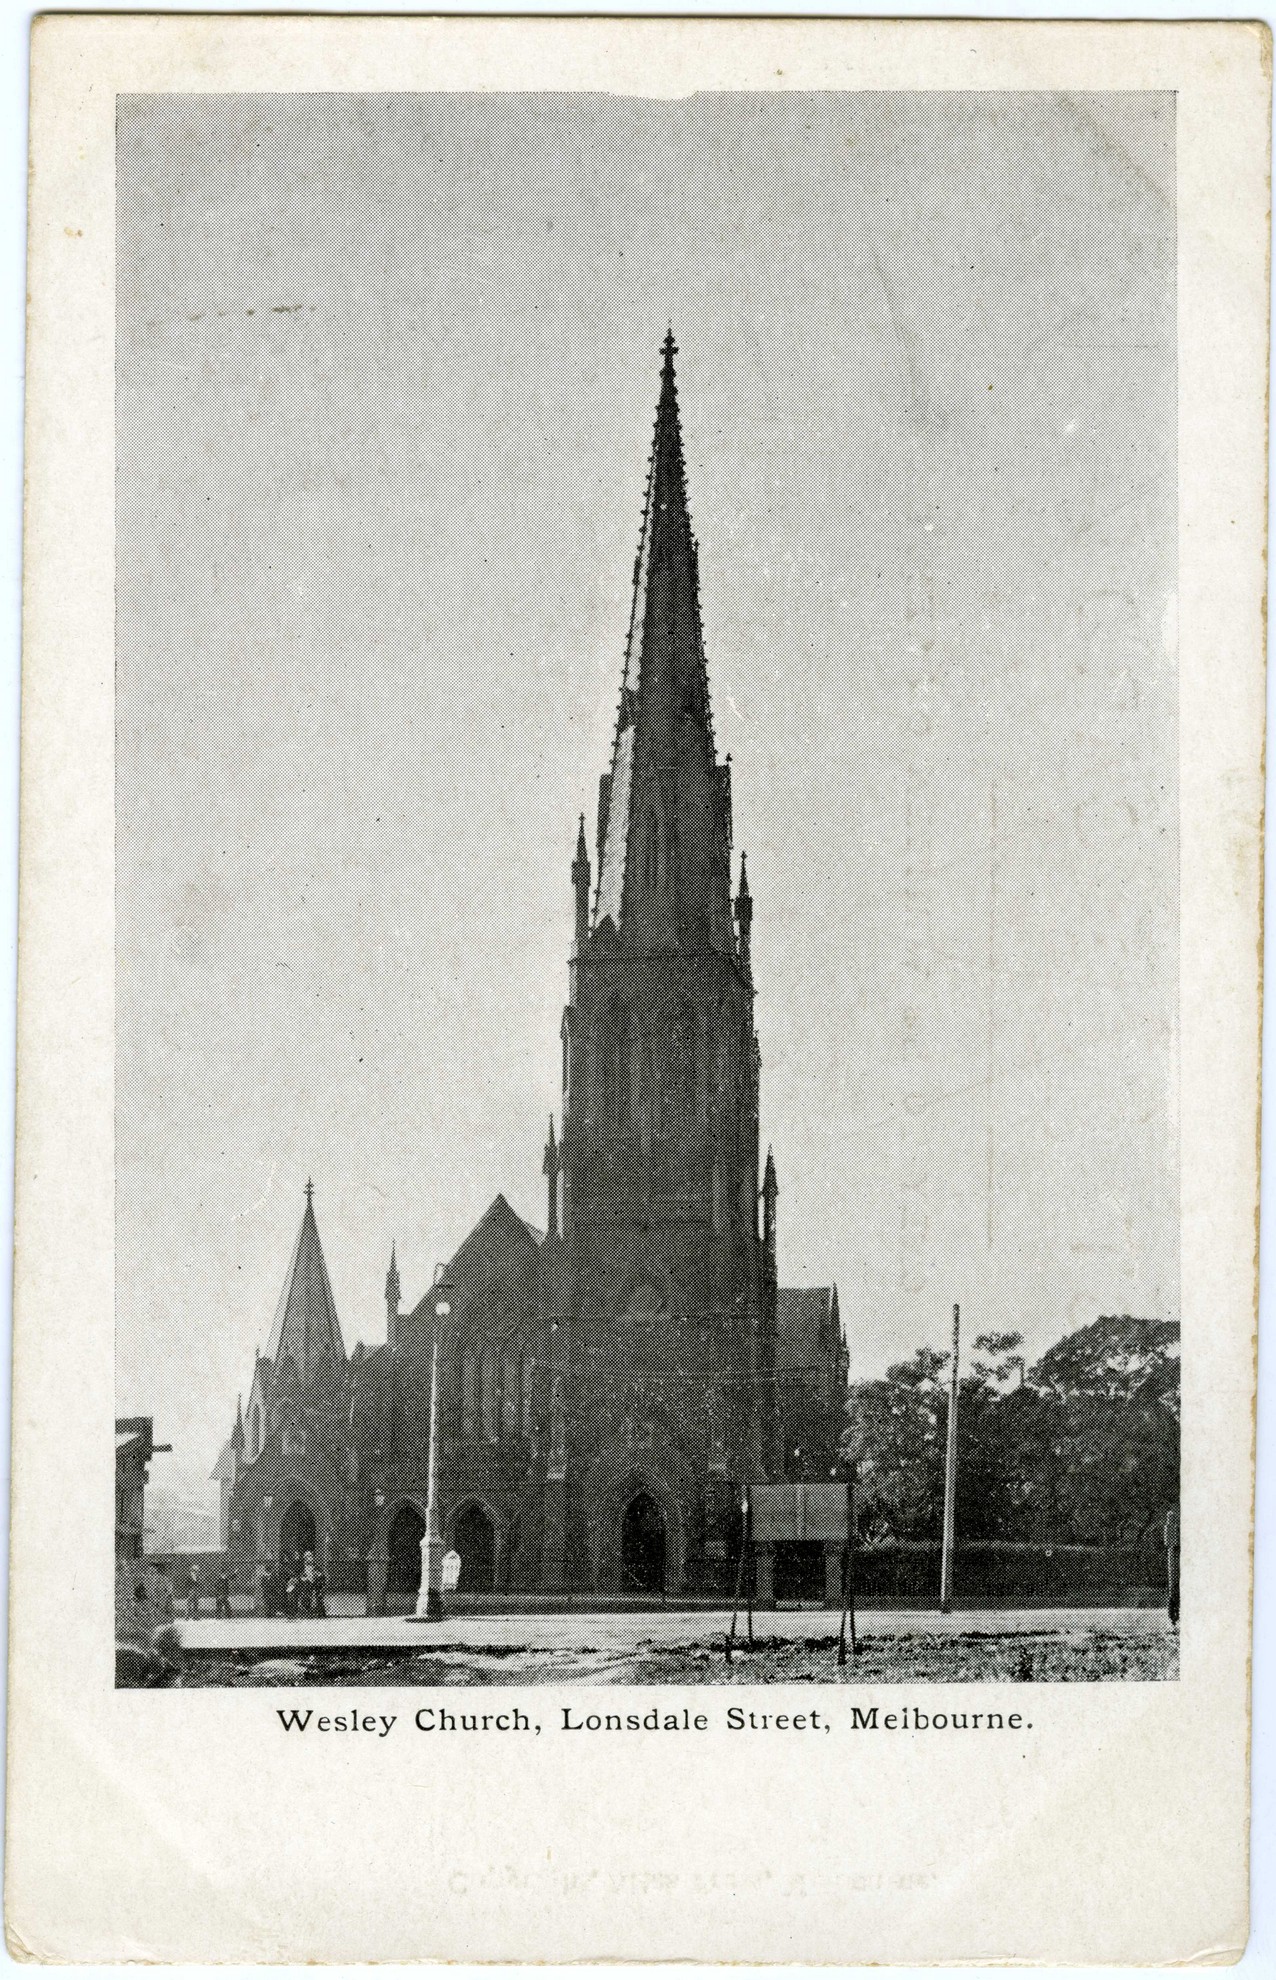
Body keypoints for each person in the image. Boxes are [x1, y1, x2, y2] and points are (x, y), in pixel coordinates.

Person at [1164, 1505, 1180, 1626]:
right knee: (1173, 1588)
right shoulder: (1171, 1528)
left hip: (1174, 1554)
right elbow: (1170, 1543)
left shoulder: (1171, 1528)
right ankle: (1173, 1616)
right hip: (1173, 1554)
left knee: (1173, 1588)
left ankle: (1174, 1616)